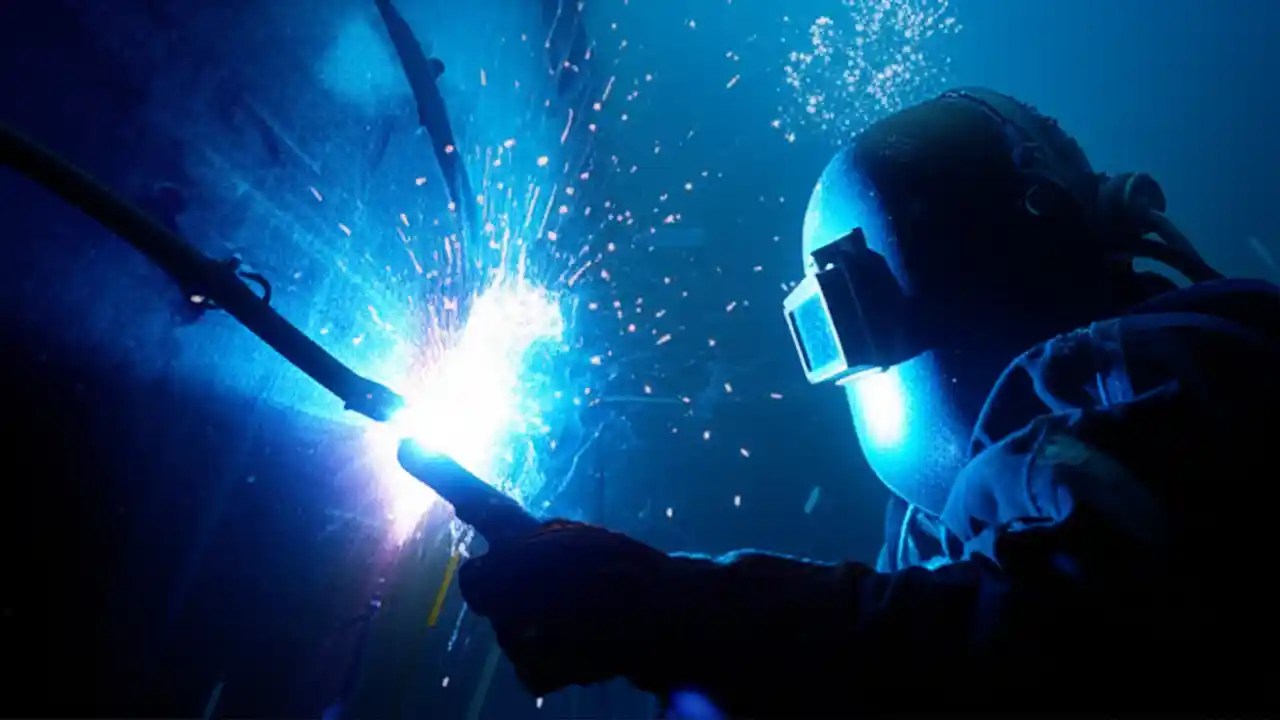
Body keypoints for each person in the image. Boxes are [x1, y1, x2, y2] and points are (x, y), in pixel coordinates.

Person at [401, 88, 1280, 715]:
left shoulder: (1178, 384)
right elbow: (890, 647)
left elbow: (1035, 648)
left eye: (847, 317)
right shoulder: (940, 529)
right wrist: (666, 629)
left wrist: (672, 612)